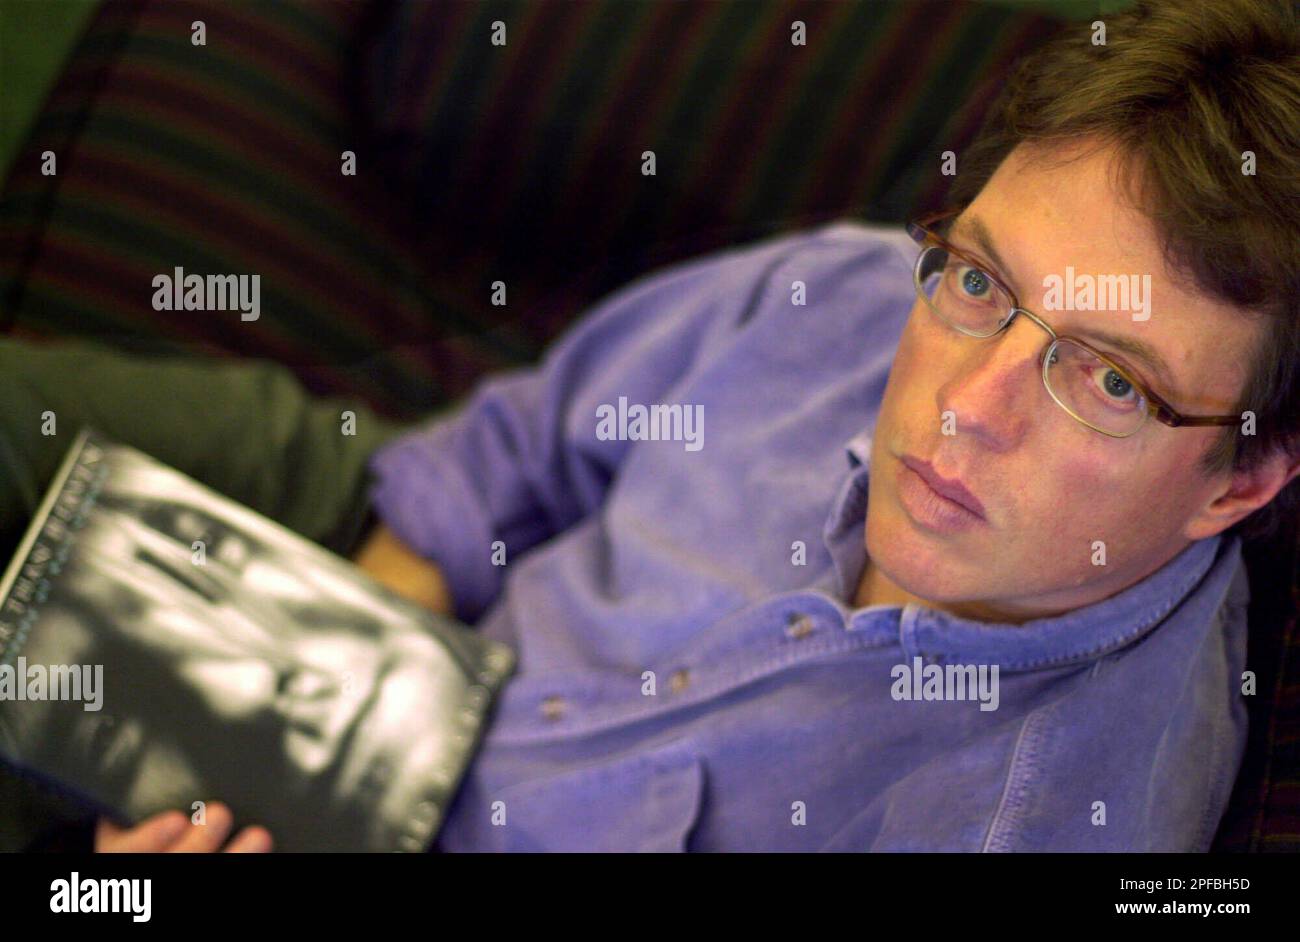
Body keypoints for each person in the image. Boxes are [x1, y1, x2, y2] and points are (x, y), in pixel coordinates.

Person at [75, 0, 1300, 849]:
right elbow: (512, 445)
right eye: (981, 284)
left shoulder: (1027, 823)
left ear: (1236, 484)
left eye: (1108, 382)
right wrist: (334, 704)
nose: (960, 413)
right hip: (360, 523)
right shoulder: (841, 290)